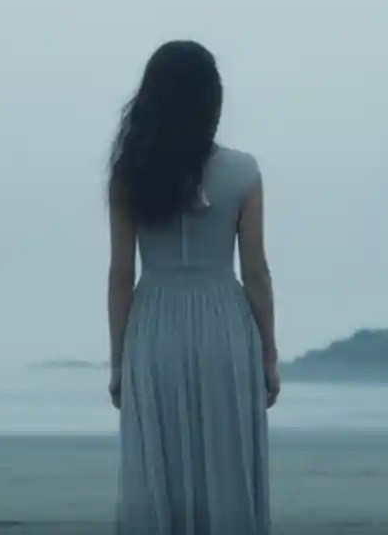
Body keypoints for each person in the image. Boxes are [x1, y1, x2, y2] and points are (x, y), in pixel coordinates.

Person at [106, 40, 278, 534]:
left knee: (159, 465)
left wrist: (118, 361)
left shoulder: (129, 176)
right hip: (225, 326)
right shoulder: (243, 172)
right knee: (226, 462)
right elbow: (256, 272)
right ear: (211, 100)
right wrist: (268, 354)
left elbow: (121, 275)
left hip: (154, 327)